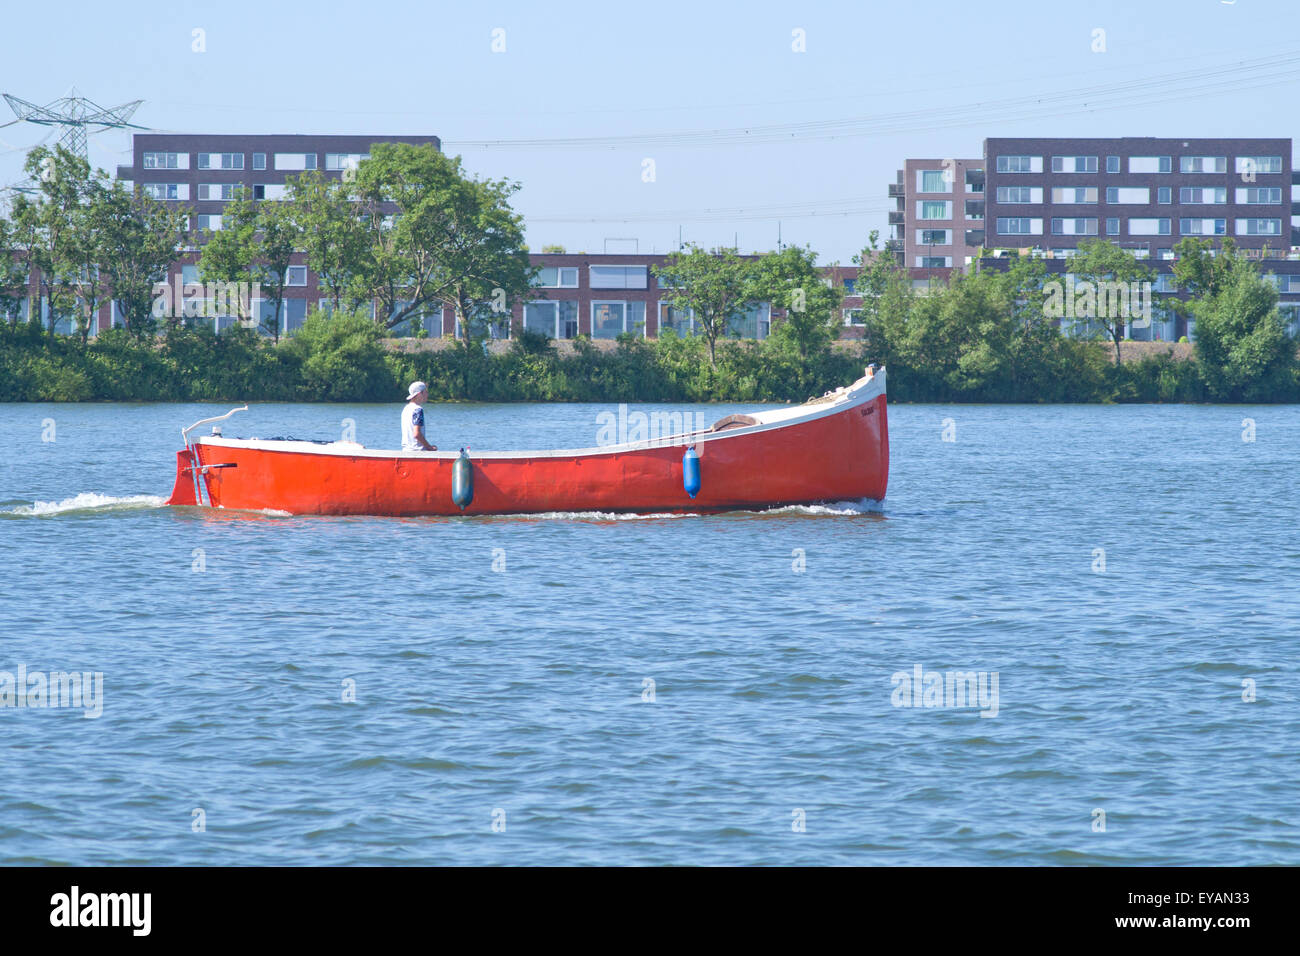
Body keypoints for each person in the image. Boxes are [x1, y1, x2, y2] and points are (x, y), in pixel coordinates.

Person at [401, 381, 437, 451]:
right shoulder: (418, 409)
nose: (427, 394)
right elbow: (416, 434)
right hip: (417, 451)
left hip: (406, 450)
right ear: (419, 394)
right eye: (426, 392)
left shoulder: (406, 409)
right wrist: (429, 447)